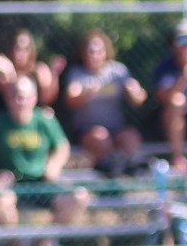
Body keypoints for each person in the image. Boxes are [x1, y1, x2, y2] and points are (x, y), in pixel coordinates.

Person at [0, 74, 90, 229]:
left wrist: (54, 165)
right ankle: (16, 242)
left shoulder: (45, 121)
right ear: (7, 98)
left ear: (34, 98)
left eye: (24, 96)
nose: (19, 101)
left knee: (78, 196)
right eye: (14, 96)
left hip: (42, 183)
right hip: (10, 184)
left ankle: (47, 238)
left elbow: (62, 146)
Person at [62, 27, 146, 165]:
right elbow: (70, 99)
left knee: (131, 137)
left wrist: (134, 91)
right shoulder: (77, 73)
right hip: (87, 131)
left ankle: (129, 169)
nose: (95, 55)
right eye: (91, 52)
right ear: (83, 53)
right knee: (101, 137)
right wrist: (86, 93)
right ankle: (110, 169)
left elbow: (139, 99)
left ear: (106, 52)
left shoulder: (118, 71)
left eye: (99, 51)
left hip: (116, 129)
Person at [0, 28, 62, 113]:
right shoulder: (4, 68)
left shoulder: (39, 70)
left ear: (31, 51)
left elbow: (47, 99)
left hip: (32, 114)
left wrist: (54, 75)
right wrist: (10, 71)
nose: (20, 53)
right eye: (17, 48)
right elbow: (6, 92)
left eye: (25, 49)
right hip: (7, 114)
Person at [150, 20, 187, 173]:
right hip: (170, 119)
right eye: (182, 40)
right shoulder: (165, 67)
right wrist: (183, 77)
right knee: (177, 101)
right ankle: (177, 157)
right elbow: (163, 97)